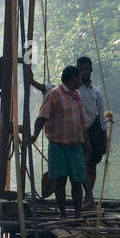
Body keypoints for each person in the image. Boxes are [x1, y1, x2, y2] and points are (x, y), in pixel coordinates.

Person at [32, 66, 88, 220]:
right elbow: (42, 117)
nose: (80, 80)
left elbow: (81, 122)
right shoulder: (54, 95)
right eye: (78, 78)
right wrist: (35, 135)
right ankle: (63, 215)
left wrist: (86, 143)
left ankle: (77, 215)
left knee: (77, 180)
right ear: (71, 78)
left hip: (75, 145)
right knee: (60, 181)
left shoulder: (77, 96)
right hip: (58, 146)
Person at [76, 56, 108, 208]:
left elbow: (101, 117)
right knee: (82, 164)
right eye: (81, 70)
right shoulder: (73, 89)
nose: (84, 73)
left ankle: (88, 197)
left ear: (91, 70)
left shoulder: (97, 92)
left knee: (93, 164)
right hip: (78, 131)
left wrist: (105, 138)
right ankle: (88, 195)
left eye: (86, 69)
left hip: (94, 130)